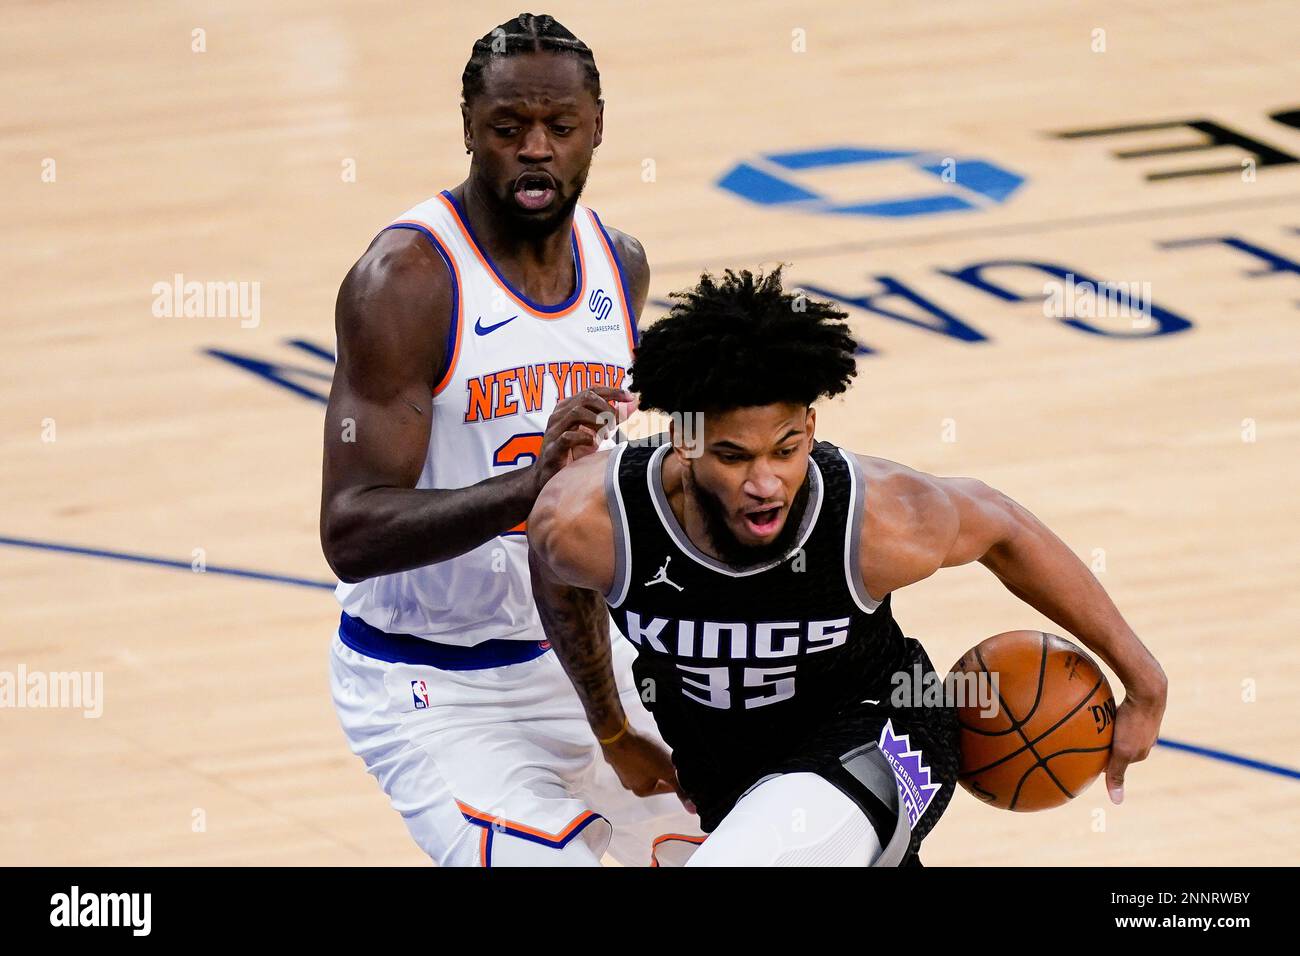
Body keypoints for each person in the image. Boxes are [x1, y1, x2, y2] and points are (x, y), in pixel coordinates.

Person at [527, 267, 1168, 866]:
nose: (765, 483)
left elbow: (1002, 527)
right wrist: (611, 730)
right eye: (733, 456)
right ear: (685, 441)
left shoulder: (876, 517)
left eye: (786, 449)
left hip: (885, 734)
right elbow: (556, 576)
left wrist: (1145, 681)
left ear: (810, 426)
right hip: (726, 771)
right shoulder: (592, 522)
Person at [320, 13, 700, 867]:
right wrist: (527, 490)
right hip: (430, 682)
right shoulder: (407, 283)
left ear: (597, 128)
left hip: (577, 655)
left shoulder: (620, 266)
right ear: (468, 130)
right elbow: (350, 533)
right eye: (507, 128)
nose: (536, 149)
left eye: (559, 128)